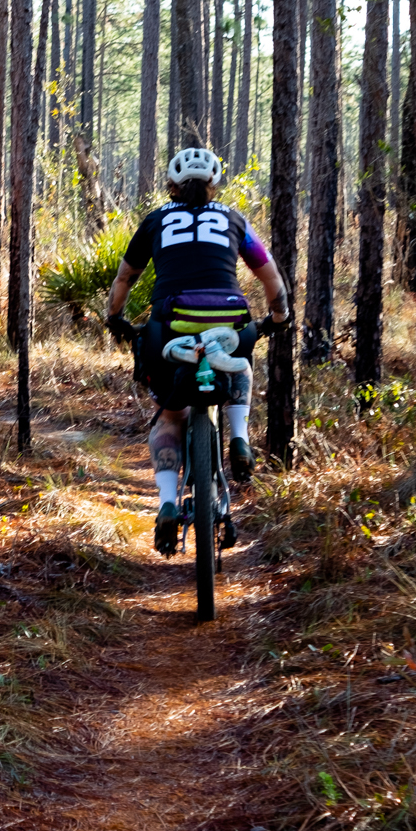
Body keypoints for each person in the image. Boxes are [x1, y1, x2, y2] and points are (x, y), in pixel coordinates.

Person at [104, 146, 288, 554]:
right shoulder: (234, 220)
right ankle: (239, 437)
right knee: (239, 365)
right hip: (228, 322)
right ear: (215, 183)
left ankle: (168, 503)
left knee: (171, 417)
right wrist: (278, 318)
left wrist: (114, 316)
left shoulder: (155, 221)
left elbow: (125, 277)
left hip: (171, 326)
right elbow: (270, 277)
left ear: (171, 184)